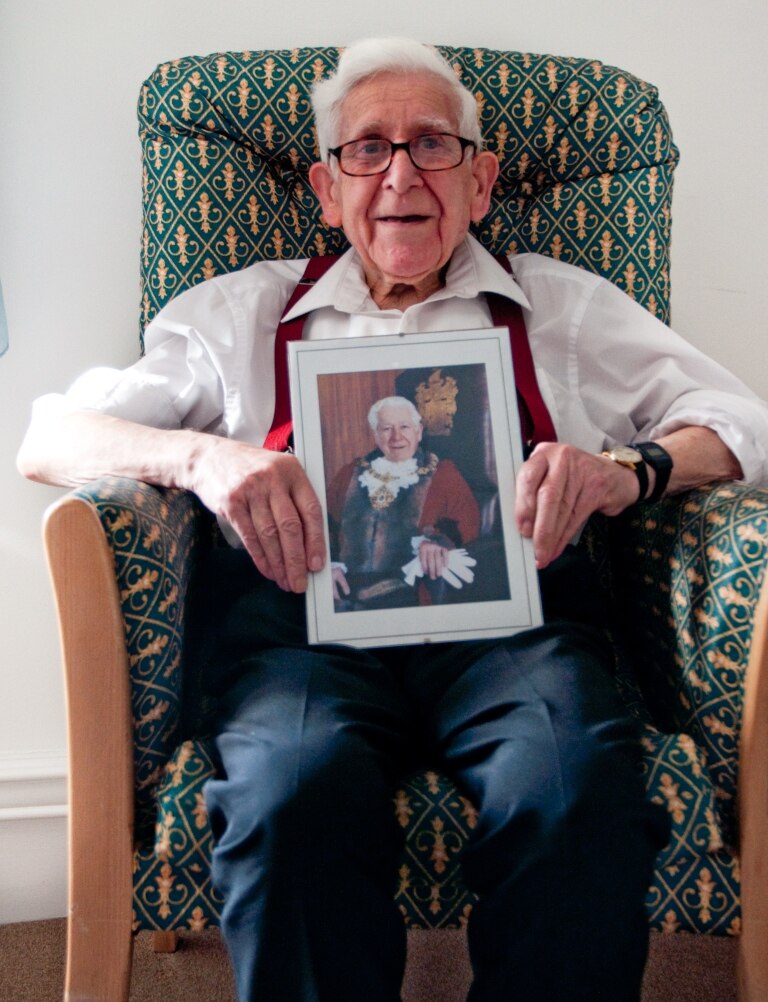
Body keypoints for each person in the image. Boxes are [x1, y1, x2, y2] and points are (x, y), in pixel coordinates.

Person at [17, 36, 768, 1002]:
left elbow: (743, 421)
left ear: (481, 180)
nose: (401, 173)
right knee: (289, 801)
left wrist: (634, 470)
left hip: (515, 633)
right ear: (329, 190)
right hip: (302, 641)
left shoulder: (558, 307)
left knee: (575, 795)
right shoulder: (243, 315)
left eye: (434, 146)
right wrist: (201, 457)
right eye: (368, 148)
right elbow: (49, 434)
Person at [328, 395, 481, 610]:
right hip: (344, 592)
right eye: (386, 429)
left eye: (405, 427)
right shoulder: (348, 475)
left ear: (418, 432)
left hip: (408, 593)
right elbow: (324, 525)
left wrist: (437, 541)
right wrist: (329, 565)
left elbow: (468, 523)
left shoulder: (443, 475)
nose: (396, 437)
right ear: (376, 435)